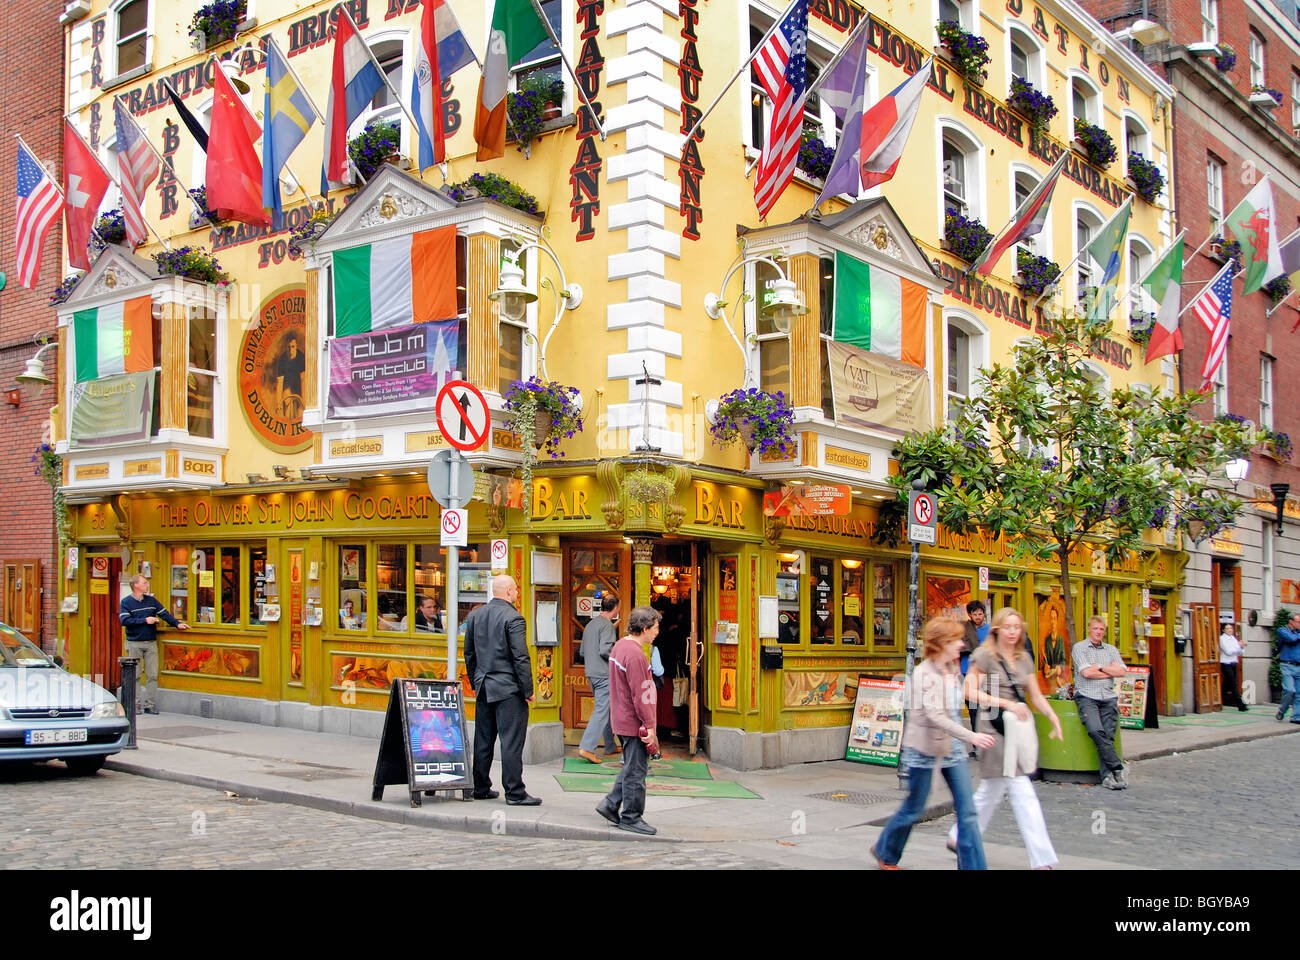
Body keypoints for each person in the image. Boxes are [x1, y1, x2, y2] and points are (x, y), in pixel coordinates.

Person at [870, 616, 995, 870]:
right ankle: (886, 850)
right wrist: (971, 736)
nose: (961, 644)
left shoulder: (950, 668)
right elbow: (935, 716)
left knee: (968, 811)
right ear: (941, 643)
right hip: (924, 748)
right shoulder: (923, 673)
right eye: (956, 640)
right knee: (914, 808)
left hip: (952, 748)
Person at [946, 607, 1063, 870]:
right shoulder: (985, 655)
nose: (1013, 632)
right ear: (997, 628)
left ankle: (959, 836)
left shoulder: (1023, 658)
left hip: (1015, 730)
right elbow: (970, 691)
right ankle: (1042, 860)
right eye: (1008, 627)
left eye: (1017, 627)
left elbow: (1035, 694)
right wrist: (1005, 704)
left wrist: (1052, 716)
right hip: (993, 727)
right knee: (1022, 790)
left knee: (991, 791)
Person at [463, 575, 538, 805]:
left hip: (484, 685)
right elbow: (520, 657)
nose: (517, 593)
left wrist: (477, 682)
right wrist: (527, 690)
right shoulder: (513, 618)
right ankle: (514, 792)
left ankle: (480, 786)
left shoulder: (475, 615)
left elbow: (469, 653)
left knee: (483, 739)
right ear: (507, 591)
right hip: (507, 689)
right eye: (515, 589)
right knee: (511, 741)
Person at [595, 605, 662, 835]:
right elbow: (641, 694)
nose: (657, 632)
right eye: (655, 627)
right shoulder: (635, 655)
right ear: (644, 628)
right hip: (633, 721)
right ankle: (631, 816)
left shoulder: (621, 646)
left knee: (631, 766)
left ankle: (611, 804)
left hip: (622, 717)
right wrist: (650, 725)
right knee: (636, 772)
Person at [1071, 615, 1129, 789]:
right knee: (1096, 730)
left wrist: (1101, 667)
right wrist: (1111, 671)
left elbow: (1122, 672)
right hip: (1087, 696)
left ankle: (1108, 777)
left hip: (1108, 697)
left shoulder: (1111, 650)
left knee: (1108, 737)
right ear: (1089, 629)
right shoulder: (1080, 648)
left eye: (1101, 629)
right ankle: (1118, 767)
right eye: (1095, 628)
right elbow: (1086, 673)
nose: (1098, 632)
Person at [119, 574, 190, 714]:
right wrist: (145, 620)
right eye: (144, 582)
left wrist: (177, 624)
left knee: (152, 675)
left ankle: (150, 704)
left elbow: (164, 614)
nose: (147, 584)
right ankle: (135, 705)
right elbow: (124, 621)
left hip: (151, 642)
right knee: (136, 675)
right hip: (134, 643)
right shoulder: (126, 602)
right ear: (136, 585)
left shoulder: (151, 600)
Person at [577, 594, 621, 763]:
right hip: (604, 674)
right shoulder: (608, 626)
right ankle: (587, 748)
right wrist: (617, 657)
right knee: (602, 710)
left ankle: (609, 745)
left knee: (606, 709)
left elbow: (581, 652)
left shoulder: (590, 625)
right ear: (616, 608)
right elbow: (605, 650)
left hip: (591, 672)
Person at [961, 601, 988, 732]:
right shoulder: (964, 629)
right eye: (975, 614)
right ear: (970, 615)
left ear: (984, 614)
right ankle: (977, 743)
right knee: (973, 709)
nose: (978, 617)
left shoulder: (990, 630)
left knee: (987, 709)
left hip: (985, 673)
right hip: (967, 672)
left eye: (980, 614)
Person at [1218, 622, 1248, 712]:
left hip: (1233, 663)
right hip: (1225, 663)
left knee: (1228, 684)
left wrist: (1240, 647)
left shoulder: (1233, 638)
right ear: (1223, 630)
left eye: (1231, 628)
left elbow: (1240, 653)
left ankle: (1221, 699)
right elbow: (1228, 651)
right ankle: (1241, 705)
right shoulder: (1222, 638)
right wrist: (1239, 646)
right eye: (1228, 628)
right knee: (1233, 683)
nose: (1230, 630)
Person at [1276, 612, 1300, 722]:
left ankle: (1296, 717)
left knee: (1299, 693)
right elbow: (1291, 639)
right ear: (1291, 621)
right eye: (1298, 622)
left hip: (1298, 666)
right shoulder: (1282, 630)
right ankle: (1282, 710)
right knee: (1289, 690)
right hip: (1287, 665)